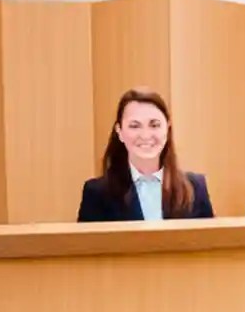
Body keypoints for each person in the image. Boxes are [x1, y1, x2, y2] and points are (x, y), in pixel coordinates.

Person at [77, 89, 215, 222]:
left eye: (154, 125)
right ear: (119, 131)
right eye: (134, 126)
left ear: (167, 128)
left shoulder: (195, 187)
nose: (145, 135)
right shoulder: (97, 193)